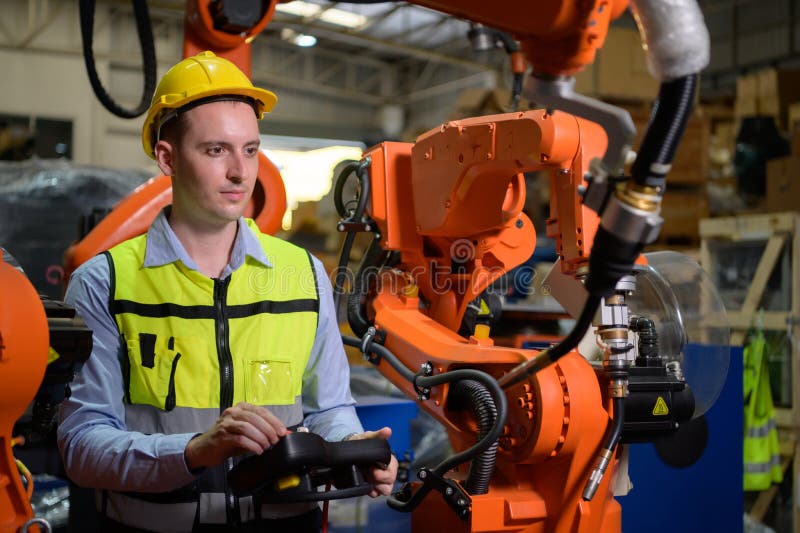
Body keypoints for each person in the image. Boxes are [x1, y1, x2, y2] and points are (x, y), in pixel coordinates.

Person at [57, 51, 398, 532]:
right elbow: (83, 445)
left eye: (251, 149)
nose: (241, 171)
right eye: (217, 150)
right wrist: (195, 451)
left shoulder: (302, 273)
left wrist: (354, 448)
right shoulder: (104, 282)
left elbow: (330, 408)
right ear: (167, 158)